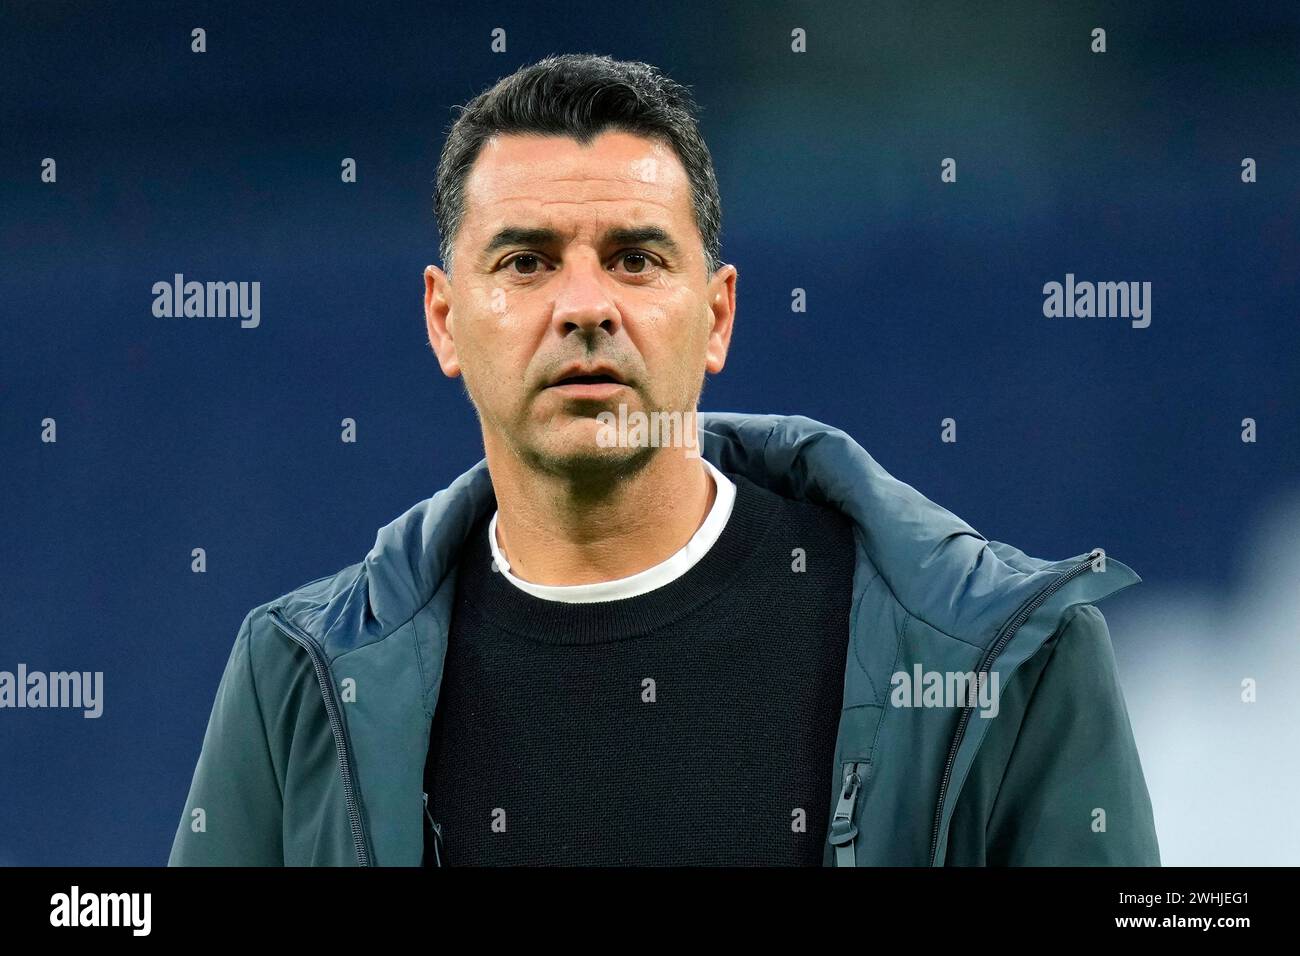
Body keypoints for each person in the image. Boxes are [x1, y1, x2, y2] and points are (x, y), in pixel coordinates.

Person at [168, 53, 1159, 866]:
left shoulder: (1004, 658)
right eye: (526, 261)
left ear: (718, 313)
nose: (586, 305)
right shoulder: (296, 681)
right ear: (444, 319)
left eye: (635, 258)